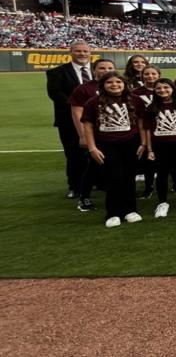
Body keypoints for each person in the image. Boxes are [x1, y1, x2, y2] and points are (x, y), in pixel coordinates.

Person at [80, 72, 146, 228]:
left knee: (129, 177)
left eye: (118, 82)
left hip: (130, 143)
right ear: (103, 85)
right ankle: (113, 213)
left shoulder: (135, 100)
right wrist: (92, 148)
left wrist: (143, 143)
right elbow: (87, 125)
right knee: (113, 178)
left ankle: (130, 210)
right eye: (110, 82)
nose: (115, 85)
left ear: (124, 84)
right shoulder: (93, 102)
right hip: (106, 144)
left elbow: (142, 123)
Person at [46, 40, 94, 200]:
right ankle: (75, 187)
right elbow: (55, 94)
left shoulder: (98, 71)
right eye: (78, 51)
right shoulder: (56, 72)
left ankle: (99, 182)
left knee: (100, 151)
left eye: (85, 51)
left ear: (90, 53)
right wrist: (79, 107)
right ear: (70, 52)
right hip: (69, 121)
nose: (82, 54)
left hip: (97, 120)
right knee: (74, 155)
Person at [69, 58, 118, 212]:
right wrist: (83, 136)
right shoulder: (84, 89)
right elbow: (77, 113)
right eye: (102, 68)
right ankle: (84, 198)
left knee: (118, 166)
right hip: (97, 135)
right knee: (93, 167)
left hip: (118, 134)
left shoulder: (119, 85)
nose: (106, 70)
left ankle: (119, 193)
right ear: (94, 70)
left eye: (110, 67)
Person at [143, 77, 176, 216]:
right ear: (154, 90)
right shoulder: (152, 107)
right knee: (162, 174)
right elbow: (147, 129)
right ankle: (162, 202)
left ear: (172, 89)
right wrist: (149, 149)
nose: (162, 90)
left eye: (166, 87)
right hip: (159, 145)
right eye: (158, 88)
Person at [132, 65, 161, 198]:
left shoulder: (165, 88)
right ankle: (149, 187)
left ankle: (174, 185)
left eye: (153, 74)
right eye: (147, 74)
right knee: (148, 160)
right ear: (142, 76)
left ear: (158, 75)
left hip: (165, 129)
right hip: (144, 130)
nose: (150, 76)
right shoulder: (136, 93)